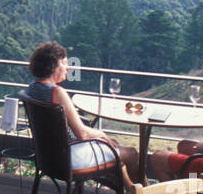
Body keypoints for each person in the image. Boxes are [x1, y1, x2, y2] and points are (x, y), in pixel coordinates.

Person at [25, 41, 141, 186]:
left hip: (48, 157)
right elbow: (82, 134)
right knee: (131, 153)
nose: (68, 68)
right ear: (54, 65)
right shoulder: (57, 92)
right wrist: (102, 134)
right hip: (70, 157)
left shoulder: (32, 88)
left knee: (115, 147)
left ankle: (130, 191)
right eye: (65, 63)